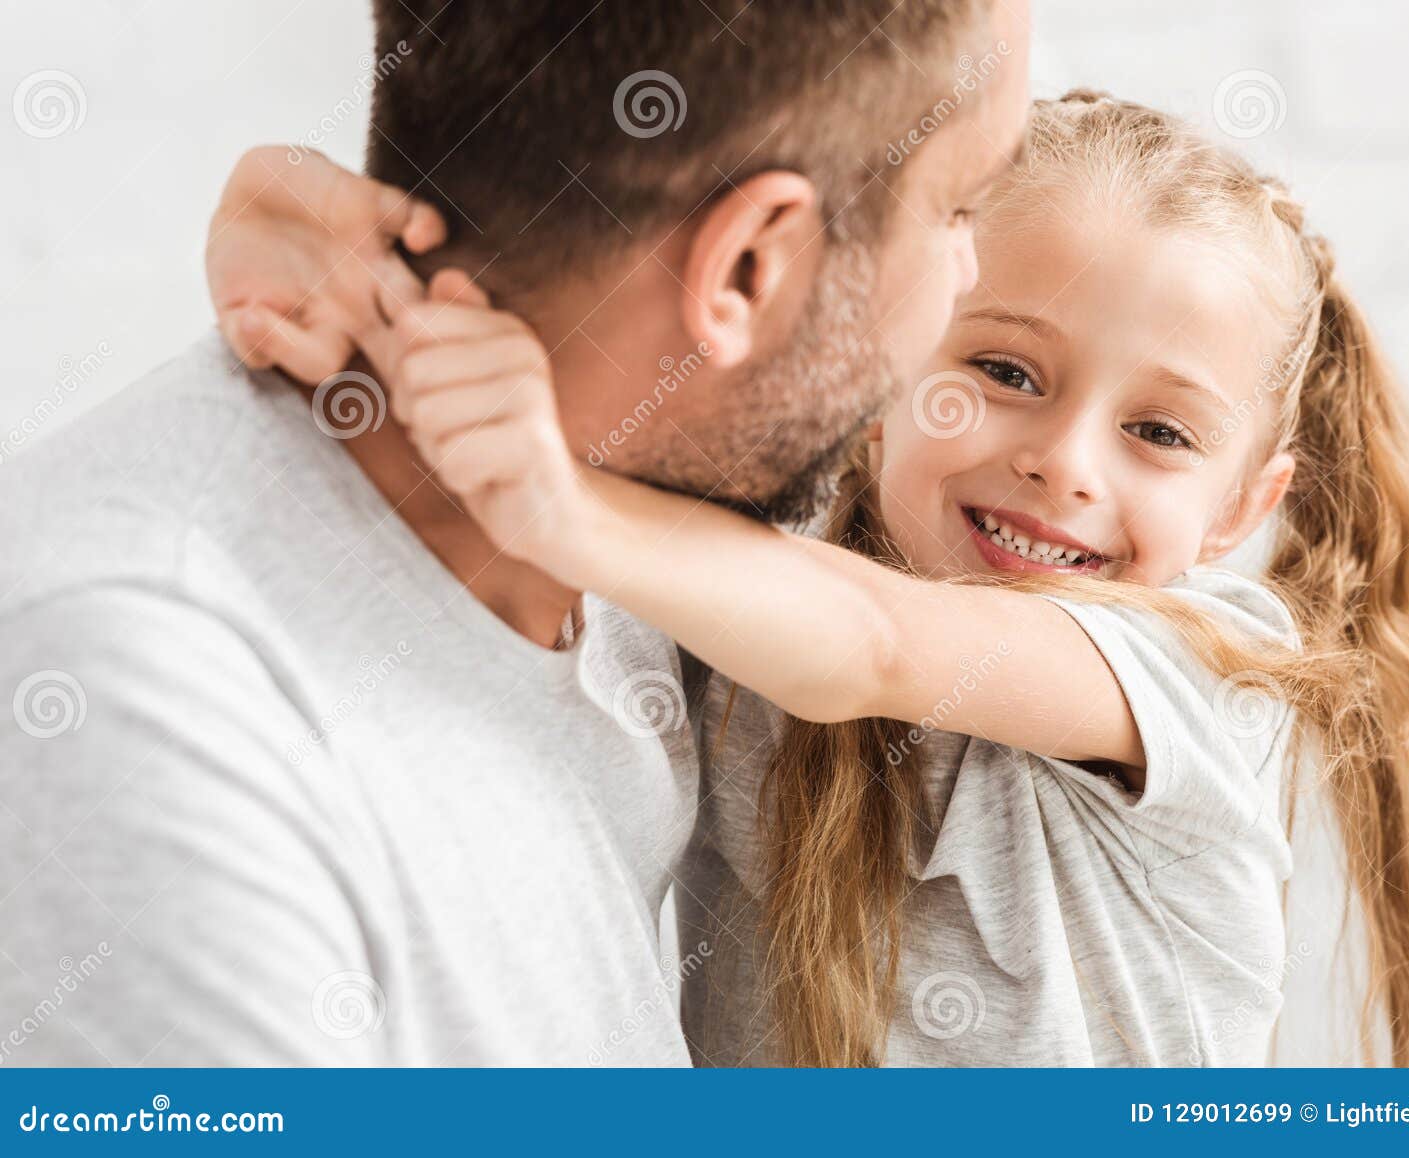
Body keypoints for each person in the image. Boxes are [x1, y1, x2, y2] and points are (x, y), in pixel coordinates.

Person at [313, 93, 1409, 1066]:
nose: (1063, 462)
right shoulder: (745, 588)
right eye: (1004, 369)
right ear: (887, 369)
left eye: (1160, 434)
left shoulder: (1196, 667)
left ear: (1243, 507)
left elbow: (875, 651)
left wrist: (561, 501)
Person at [0, 0, 1030, 1065]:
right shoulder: (147, 719)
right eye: (956, 209)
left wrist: (277, 184)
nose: (962, 282)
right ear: (744, 271)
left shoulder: (671, 483)